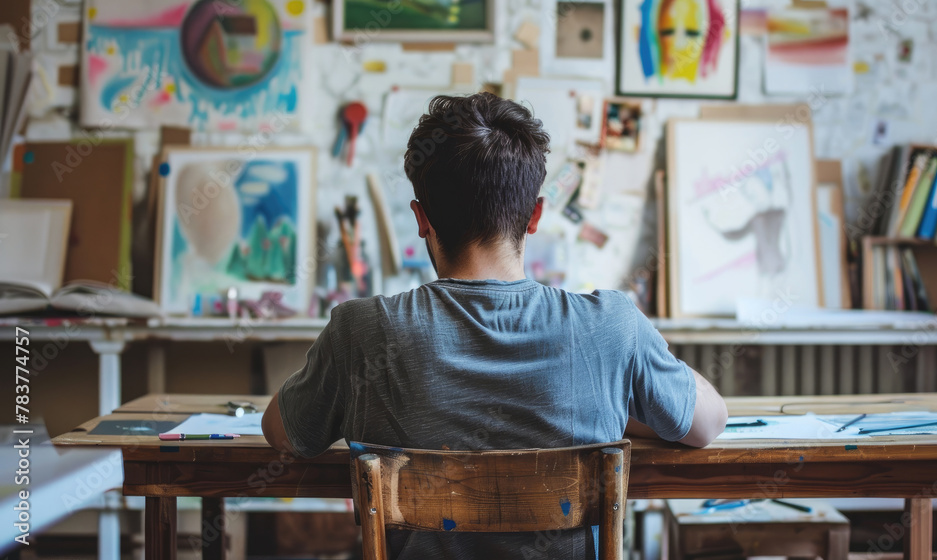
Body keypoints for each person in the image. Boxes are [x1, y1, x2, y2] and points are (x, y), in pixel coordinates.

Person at [263, 92, 728, 559]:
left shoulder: (360, 332)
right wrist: (615, 404)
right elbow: (708, 423)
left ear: (421, 219)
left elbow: (283, 434)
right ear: (535, 215)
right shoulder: (612, 326)